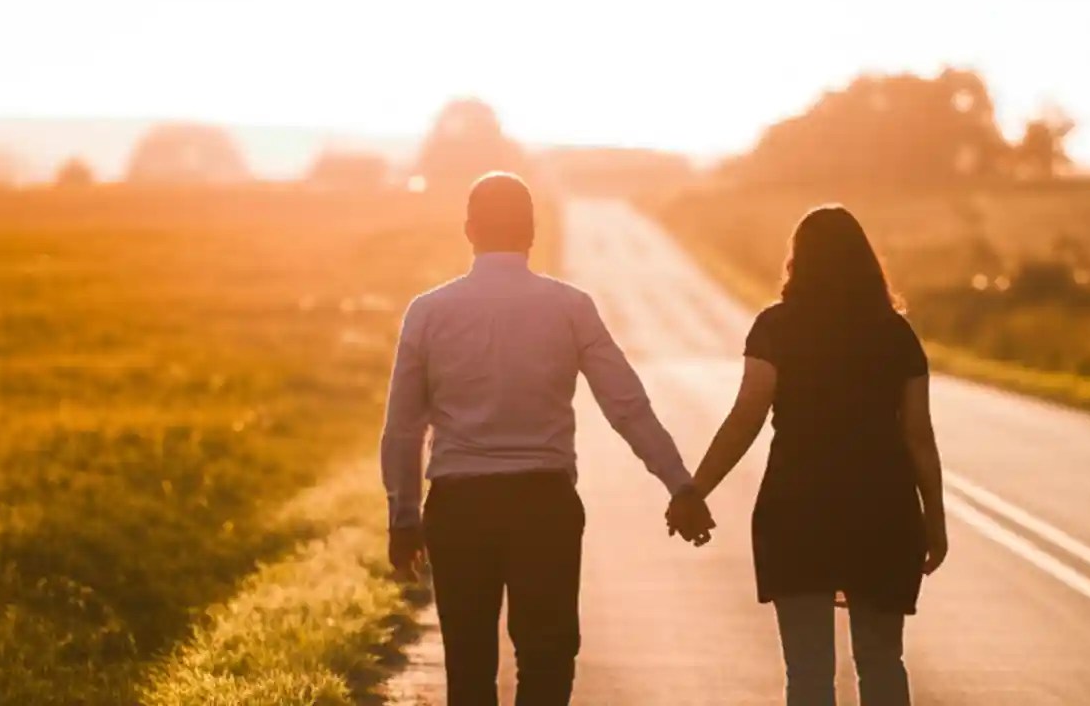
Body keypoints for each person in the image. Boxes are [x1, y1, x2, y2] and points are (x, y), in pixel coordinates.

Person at [381, 172, 715, 705]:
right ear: (532, 232)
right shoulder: (570, 307)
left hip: (460, 505)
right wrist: (680, 485)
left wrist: (403, 516)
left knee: (467, 666)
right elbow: (626, 406)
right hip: (544, 506)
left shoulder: (429, 312)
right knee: (547, 660)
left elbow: (402, 426)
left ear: (469, 230)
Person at [677, 205, 948, 705]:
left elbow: (747, 417)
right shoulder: (895, 334)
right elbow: (918, 435)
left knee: (807, 671)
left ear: (797, 261)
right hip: (883, 511)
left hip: (797, 509)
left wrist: (696, 489)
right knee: (883, 661)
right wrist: (934, 520)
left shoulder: (777, 328)